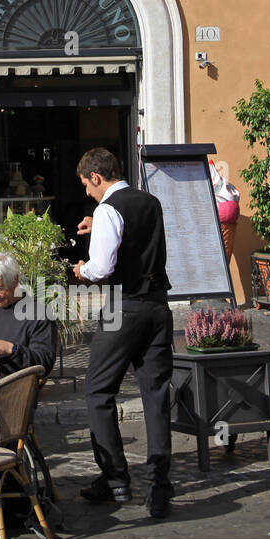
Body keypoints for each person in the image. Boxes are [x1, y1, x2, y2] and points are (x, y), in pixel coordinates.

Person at [72, 148, 174, 519]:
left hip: (123, 305)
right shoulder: (151, 201)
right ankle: (159, 487)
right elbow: (135, 238)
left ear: (96, 177)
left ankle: (115, 478)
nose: (87, 192)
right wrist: (97, 224)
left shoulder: (106, 209)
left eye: (86, 185)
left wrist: (81, 271)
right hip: (158, 307)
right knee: (156, 396)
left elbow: (101, 267)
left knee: (98, 390)